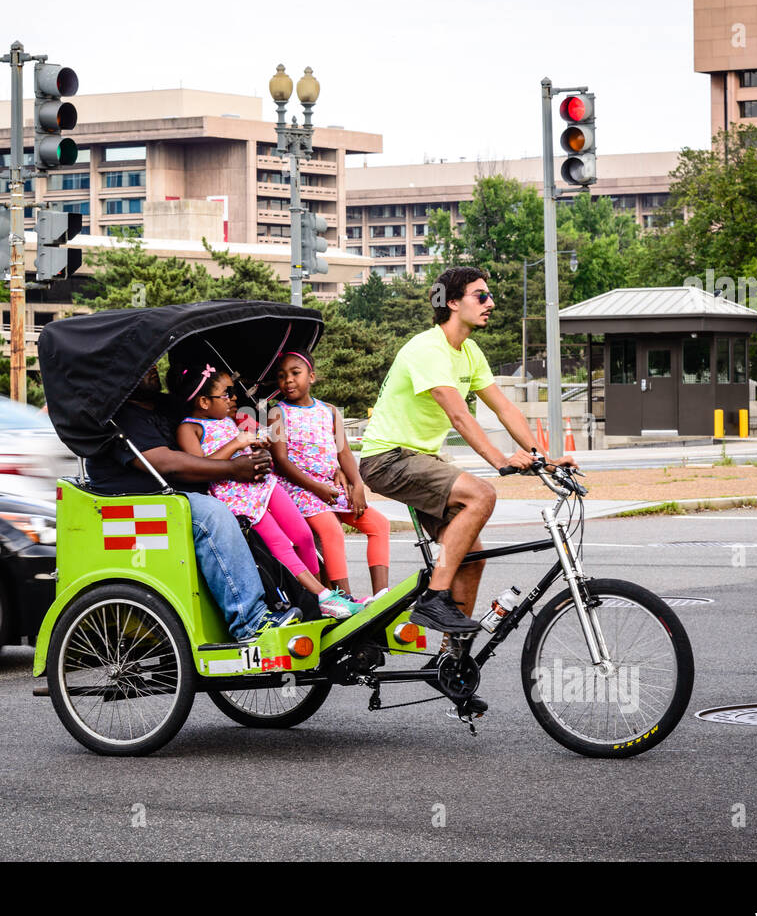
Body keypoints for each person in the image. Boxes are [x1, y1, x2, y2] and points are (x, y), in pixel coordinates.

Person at [359, 265, 576, 658]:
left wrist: (542, 457)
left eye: (489, 295)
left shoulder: (469, 351)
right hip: (387, 459)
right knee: (481, 495)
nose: (490, 303)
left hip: (420, 460)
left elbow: (505, 407)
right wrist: (499, 460)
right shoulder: (428, 348)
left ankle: (453, 661)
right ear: (454, 303)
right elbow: (460, 415)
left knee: (472, 556)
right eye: (481, 295)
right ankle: (434, 596)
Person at [83, 364, 301, 642]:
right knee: (212, 513)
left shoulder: (164, 405)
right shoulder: (119, 415)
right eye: (141, 364)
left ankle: (308, 600)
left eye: (151, 362)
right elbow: (167, 463)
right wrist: (234, 469)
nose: (150, 368)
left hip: (178, 499)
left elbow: (219, 411)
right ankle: (250, 622)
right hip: (141, 505)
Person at [171, 361, 362, 620]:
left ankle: (321, 598)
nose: (234, 397)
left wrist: (259, 445)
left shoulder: (227, 420)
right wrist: (238, 441)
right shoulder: (189, 428)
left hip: (264, 484)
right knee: (281, 545)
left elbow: (246, 450)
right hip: (239, 498)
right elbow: (202, 468)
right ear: (204, 402)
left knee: (303, 536)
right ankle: (321, 597)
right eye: (227, 393)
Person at [267, 351, 391, 601]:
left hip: (329, 487)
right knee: (332, 531)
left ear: (311, 377)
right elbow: (280, 461)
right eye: (282, 376)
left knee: (379, 524)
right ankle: (343, 598)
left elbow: (343, 453)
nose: (288, 380)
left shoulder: (330, 411)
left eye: (295, 373)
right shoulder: (276, 413)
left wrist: (357, 485)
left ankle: (381, 596)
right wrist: (316, 488)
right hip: (301, 489)